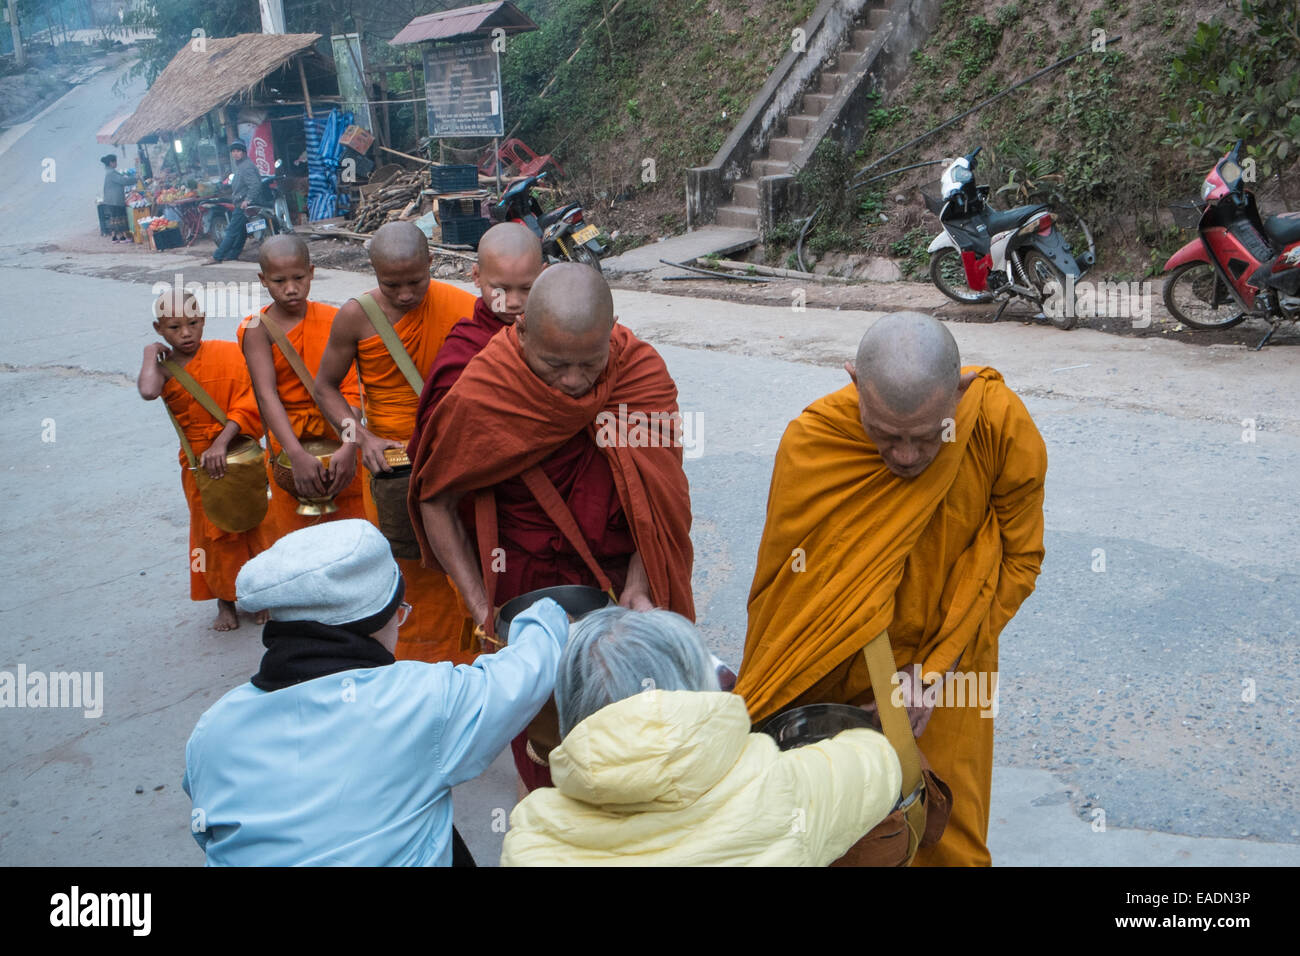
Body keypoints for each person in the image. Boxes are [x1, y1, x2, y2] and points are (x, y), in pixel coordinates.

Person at [735, 311, 1047, 867]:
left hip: (947, 669)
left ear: (961, 391)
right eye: (884, 434)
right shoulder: (816, 441)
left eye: (928, 438)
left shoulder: (996, 424)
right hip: (832, 674)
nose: (906, 457)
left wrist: (936, 669)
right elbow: (785, 594)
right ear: (854, 382)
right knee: (829, 833)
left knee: (945, 838)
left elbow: (1019, 560)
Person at [409, 263, 694, 791]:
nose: (574, 381)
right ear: (520, 333)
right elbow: (436, 499)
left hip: (616, 589)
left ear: (610, 334)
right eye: (554, 364)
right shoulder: (489, 388)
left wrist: (639, 585)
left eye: (590, 363)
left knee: (632, 741)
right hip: (522, 583)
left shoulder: (640, 377)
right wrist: (480, 609)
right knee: (544, 745)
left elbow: (659, 503)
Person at [182, 519, 570, 866]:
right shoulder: (419, 700)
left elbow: (211, 834)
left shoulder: (212, 730)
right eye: (398, 612)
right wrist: (547, 612)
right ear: (373, 625)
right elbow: (525, 671)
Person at [500, 607, 900, 866]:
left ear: (569, 710)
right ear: (696, 685)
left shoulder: (532, 842)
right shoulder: (782, 785)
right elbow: (880, 761)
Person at [313, 221, 478, 664]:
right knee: (411, 570)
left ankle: (470, 661)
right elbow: (325, 387)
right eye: (392, 284)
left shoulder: (462, 306)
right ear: (373, 272)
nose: (405, 294)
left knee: (464, 560)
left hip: (453, 458)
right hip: (393, 466)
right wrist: (359, 437)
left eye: (415, 281)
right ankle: (417, 667)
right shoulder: (356, 315)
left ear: (431, 264)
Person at [136, 287, 270, 631]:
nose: (185, 334)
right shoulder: (164, 368)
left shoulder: (228, 354)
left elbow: (251, 400)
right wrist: (150, 354)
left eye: (193, 323)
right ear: (158, 329)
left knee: (254, 524)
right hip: (197, 463)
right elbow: (148, 391)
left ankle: (261, 596)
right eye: (174, 328)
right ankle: (225, 602)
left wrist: (221, 443)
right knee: (212, 531)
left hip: (236, 447)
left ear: (204, 321)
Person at [237, 235, 365, 538]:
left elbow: (352, 390)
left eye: (298, 278)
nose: (291, 288)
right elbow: (267, 396)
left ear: (311, 272)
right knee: (301, 539)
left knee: (353, 534)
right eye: (279, 280)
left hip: (339, 434)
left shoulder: (335, 320)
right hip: (289, 442)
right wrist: (295, 455)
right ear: (263, 279)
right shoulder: (257, 329)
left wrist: (349, 446)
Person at [407, 221, 546, 454]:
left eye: (526, 288)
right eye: (500, 289)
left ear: (543, 275)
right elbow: (440, 434)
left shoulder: (557, 332)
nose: (512, 302)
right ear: (476, 276)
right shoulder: (465, 346)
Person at [209, 141, 273, 264]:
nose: (235, 154)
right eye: (233, 151)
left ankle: (217, 256)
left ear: (243, 152)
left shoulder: (246, 167)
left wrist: (247, 200)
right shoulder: (241, 166)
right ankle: (233, 254)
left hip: (244, 205)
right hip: (242, 202)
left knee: (231, 231)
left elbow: (255, 185)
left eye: (238, 151)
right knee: (241, 231)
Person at [100, 154, 135, 242]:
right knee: (120, 218)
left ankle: (115, 237)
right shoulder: (111, 173)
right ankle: (124, 237)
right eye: (115, 161)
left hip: (111, 200)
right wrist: (135, 178)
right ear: (111, 163)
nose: (116, 163)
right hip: (115, 200)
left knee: (114, 218)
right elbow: (123, 181)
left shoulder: (110, 172)